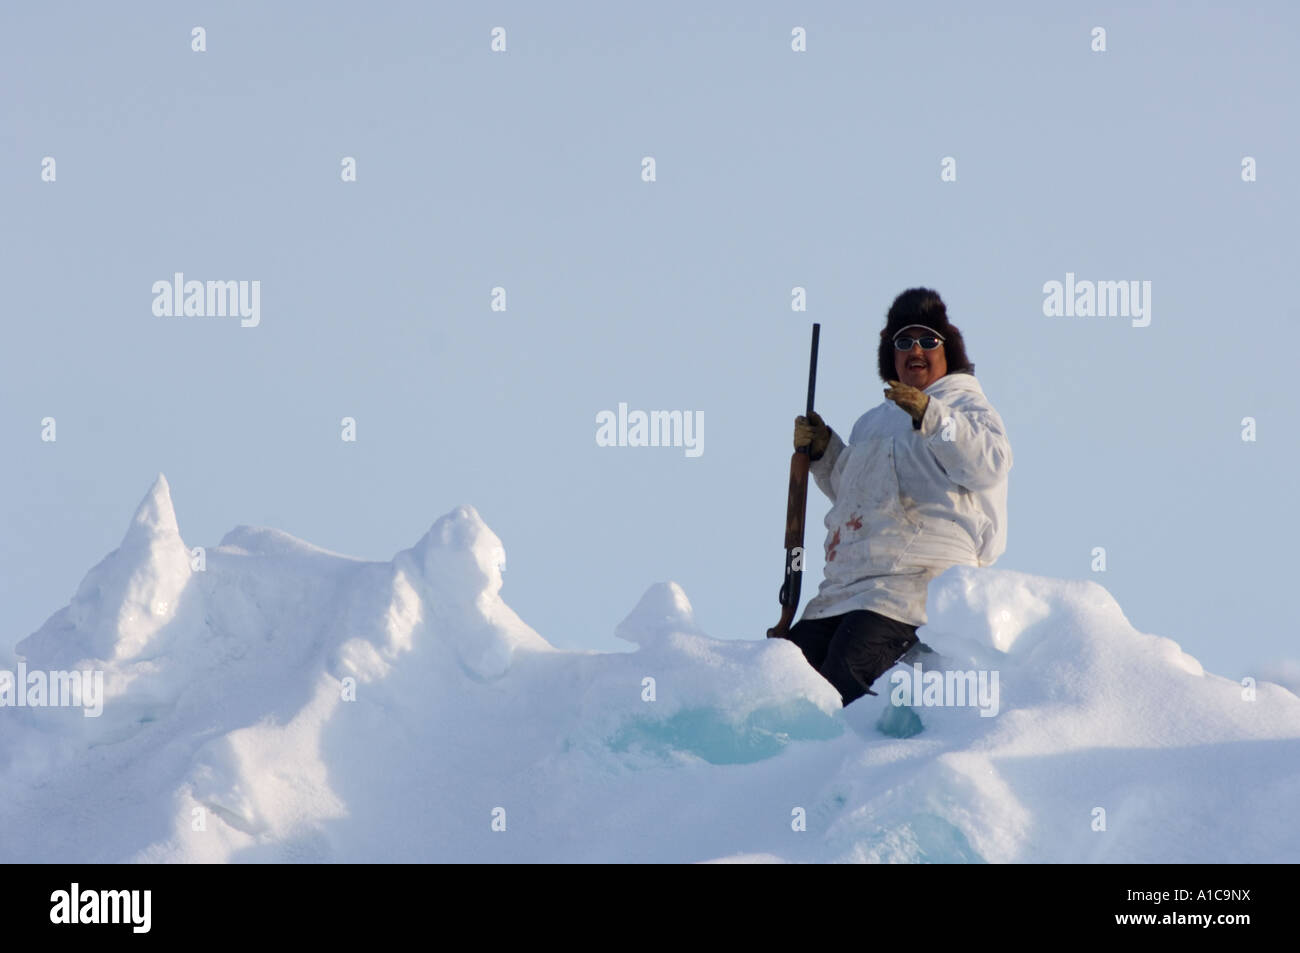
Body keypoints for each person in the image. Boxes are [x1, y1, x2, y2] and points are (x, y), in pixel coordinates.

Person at [788, 288, 1012, 706]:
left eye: (929, 340)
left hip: (913, 586)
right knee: (787, 675)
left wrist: (932, 415)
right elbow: (857, 496)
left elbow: (989, 464)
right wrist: (825, 452)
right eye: (903, 341)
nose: (916, 350)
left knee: (845, 673)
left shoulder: (967, 406)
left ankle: (858, 766)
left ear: (949, 352)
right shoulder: (871, 422)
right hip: (842, 590)